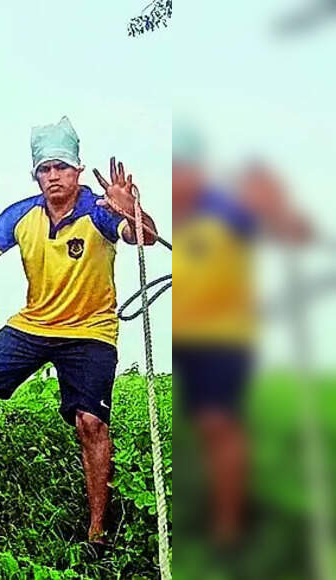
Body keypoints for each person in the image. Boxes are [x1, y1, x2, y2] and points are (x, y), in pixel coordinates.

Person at [0, 116, 157, 546]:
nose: (53, 175)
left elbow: (144, 237)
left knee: (90, 422)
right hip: (35, 322)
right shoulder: (22, 215)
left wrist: (131, 209)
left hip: (90, 330)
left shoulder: (99, 211)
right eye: (45, 169)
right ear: (36, 175)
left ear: (77, 170)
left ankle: (97, 529)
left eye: (61, 166)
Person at [171, 123, 310, 546]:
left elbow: (295, 232)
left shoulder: (228, 209)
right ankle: (219, 505)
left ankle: (229, 527)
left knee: (218, 422)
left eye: (184, 168)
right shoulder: (172, 215)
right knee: (200, 425)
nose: (178, 177)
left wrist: (276, 204)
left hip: (224, 335)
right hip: (186, 334)